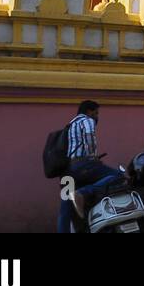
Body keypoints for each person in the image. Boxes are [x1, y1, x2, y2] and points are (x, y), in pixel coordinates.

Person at [57, 99, 121, 233]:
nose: (97, 116)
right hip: (84, 165)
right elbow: (89, 137)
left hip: (68, 171)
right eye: (96, 113)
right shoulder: (87, 120)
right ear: (88, 111)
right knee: (117, 175)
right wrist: (93, 156)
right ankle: (82, 193)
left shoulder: (70, 124)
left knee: (65, 207)